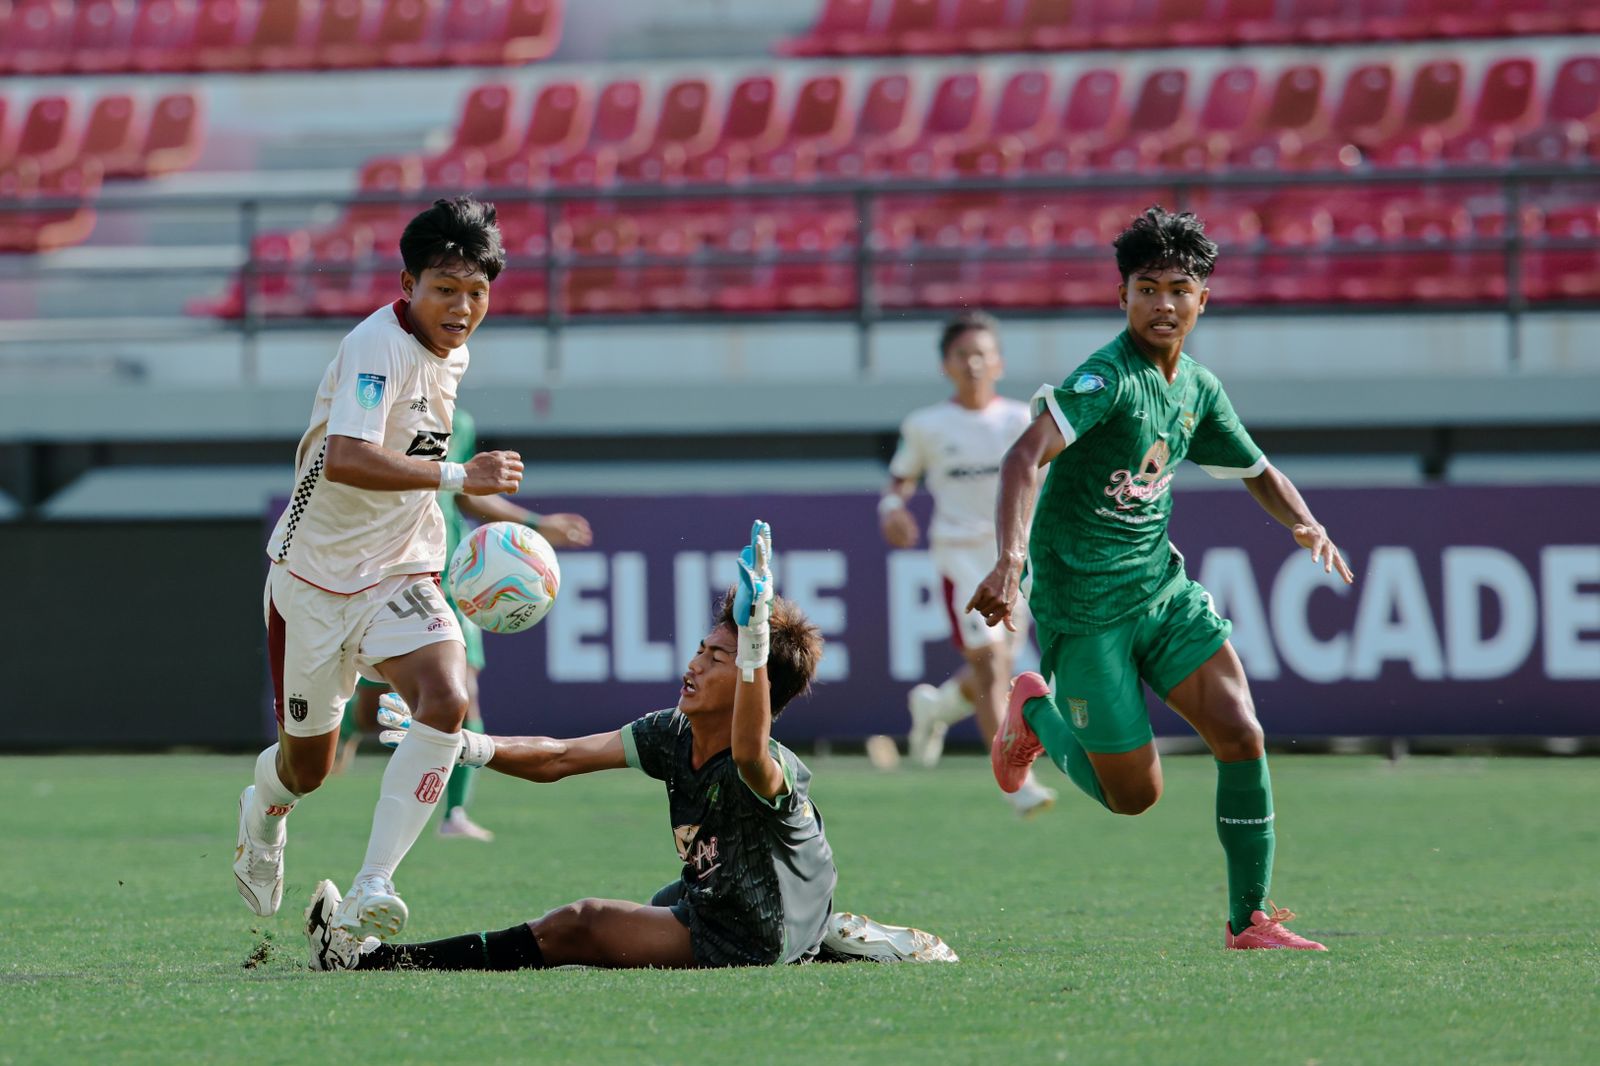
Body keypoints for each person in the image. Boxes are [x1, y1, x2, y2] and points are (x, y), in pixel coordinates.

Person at [304, 522, 957, 970]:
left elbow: (752, 748)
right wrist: (460, 744)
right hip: (738, 899)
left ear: (753, 676)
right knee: (658, 906)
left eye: (719, 659)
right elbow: (560, 758)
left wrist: (755, 641)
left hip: (756, 930)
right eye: (702, 649)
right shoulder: (671, 732)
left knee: (581, 925)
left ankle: (374, 961)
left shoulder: (764, 762)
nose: (696, 665)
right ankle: (826, 942)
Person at [967, 206, 1355, 951]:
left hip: (1160, 592)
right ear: (1123, 297)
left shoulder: (1198, 389)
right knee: (1134, 798)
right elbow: (1024, 456)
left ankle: (1249, 920)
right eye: (1147, 288)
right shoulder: (1104, 378)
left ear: (1203, 299)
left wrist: (1306, 523)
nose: (1164, 304)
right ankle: (1035, 718)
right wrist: (1011, 560)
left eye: (1180, 288)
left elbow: (1256, 469)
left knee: (1242, 733)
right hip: (1084, 609)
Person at [235, 196, 522, 943]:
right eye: (445, 289)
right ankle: (262, 815)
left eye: (476, 293)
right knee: (309, 772)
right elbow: (347, 457)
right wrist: (463, 478)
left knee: (448, 697)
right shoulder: (378, 347)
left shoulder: (453, 350)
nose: (462, 308)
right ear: (407, 284)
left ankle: (371, 886)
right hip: (316, 578)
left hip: (402, 567)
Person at [331, 407, 593, 845]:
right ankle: (353, 725)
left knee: (462, 690)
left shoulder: (461, 421)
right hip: (395, 569)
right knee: (382, 700)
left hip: (452, 572)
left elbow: (466, 493)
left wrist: (534, 523)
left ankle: (454, 813)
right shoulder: (385, 415)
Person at [878, 311, 1056, 818]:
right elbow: (900, 480)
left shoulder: (1023, 419)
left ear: (998, 362)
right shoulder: (926, 425)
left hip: (1015, 556)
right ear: (946, 366)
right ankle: (1016, 782)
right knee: (993, 664)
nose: (973, 364)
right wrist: (892, 509)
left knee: (993, 672)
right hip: (960, 555)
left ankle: (934, 707)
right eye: (963, 355)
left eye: (982, 354)